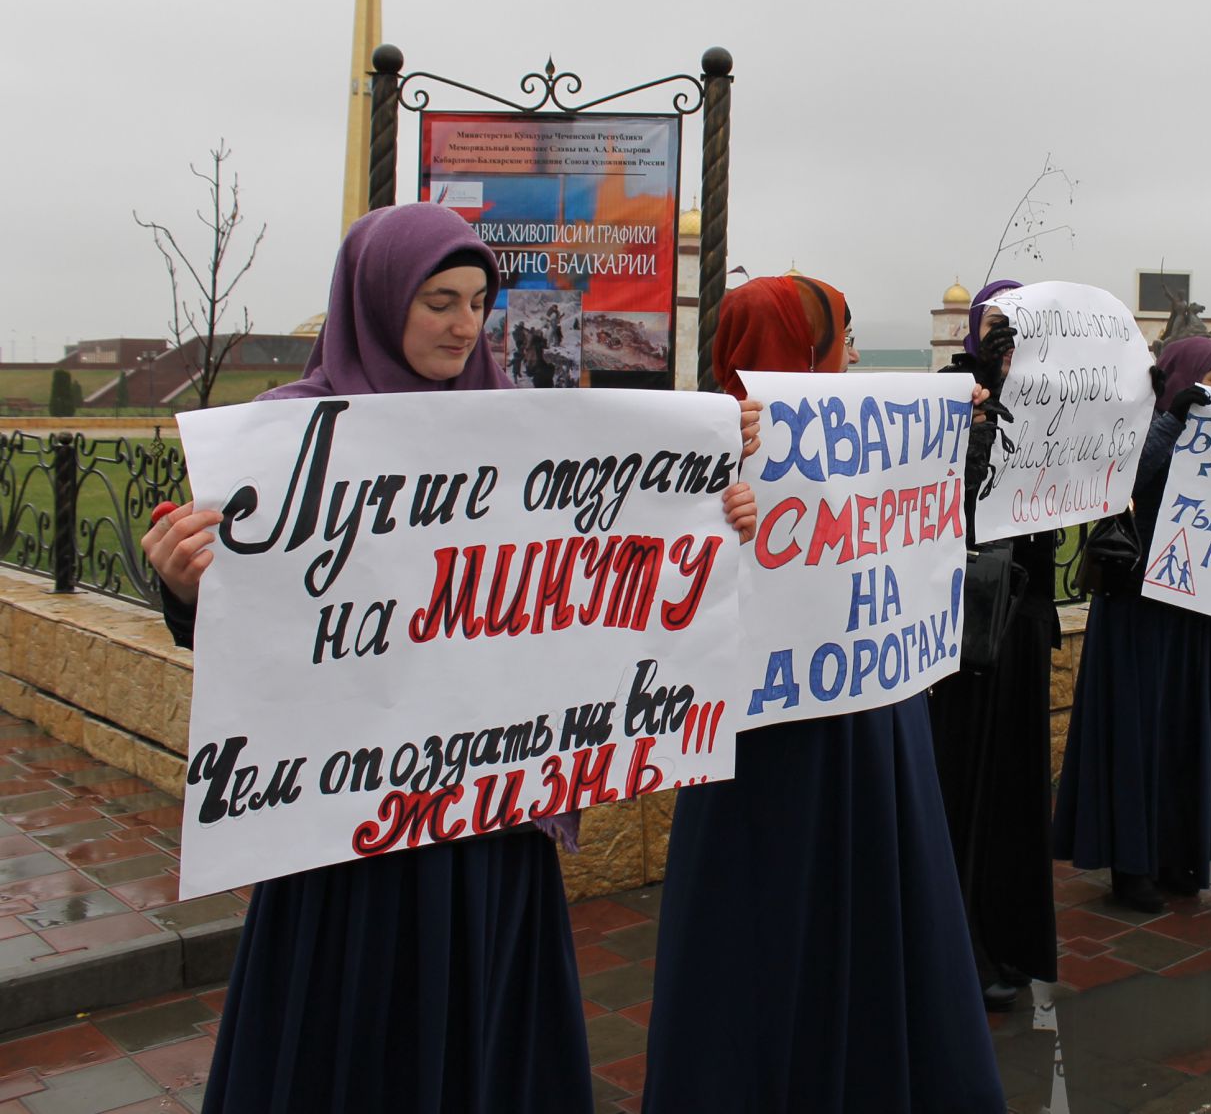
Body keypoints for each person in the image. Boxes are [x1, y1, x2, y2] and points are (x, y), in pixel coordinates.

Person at [140, 203, 760, 1114]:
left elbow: (596, 575)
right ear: (378, 299)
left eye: (478, 301)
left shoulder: (520, 430)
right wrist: (188, 584)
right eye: (438, 300)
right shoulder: (284, 437)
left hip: (488, 825)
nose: (465, 324)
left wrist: (710, 516)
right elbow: (256, 622)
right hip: (350, 841)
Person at [643, 275, 1006, 1114]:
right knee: (766, 931)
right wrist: (714, 509)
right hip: (767, 750)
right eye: (836, 340)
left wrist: (956, 427)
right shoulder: (690, 445)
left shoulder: (854, 433)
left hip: (869, 721)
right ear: (794, 349)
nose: (848, 357)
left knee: (874, 919)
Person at [1052, 336, 1211, 913]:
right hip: (1136, 608)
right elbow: (1123, 479)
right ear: (1180, 379)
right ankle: (1131, 864)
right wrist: (1173, 419)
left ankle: (1176, 852)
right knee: (1137, 732)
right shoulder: (1141, 424)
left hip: (1187, 610)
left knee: (1180, 732)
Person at [927, 279, 1059, 1012]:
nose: (1012, 338)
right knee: (963, 789)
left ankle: (1007, 940)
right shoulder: (953, 397)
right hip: (968, 629)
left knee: (1013, 792)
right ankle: (960, 948)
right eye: (999, 326)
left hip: (1026, 620)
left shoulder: (1054, 402)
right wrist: (988, 404)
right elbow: (954, 501)